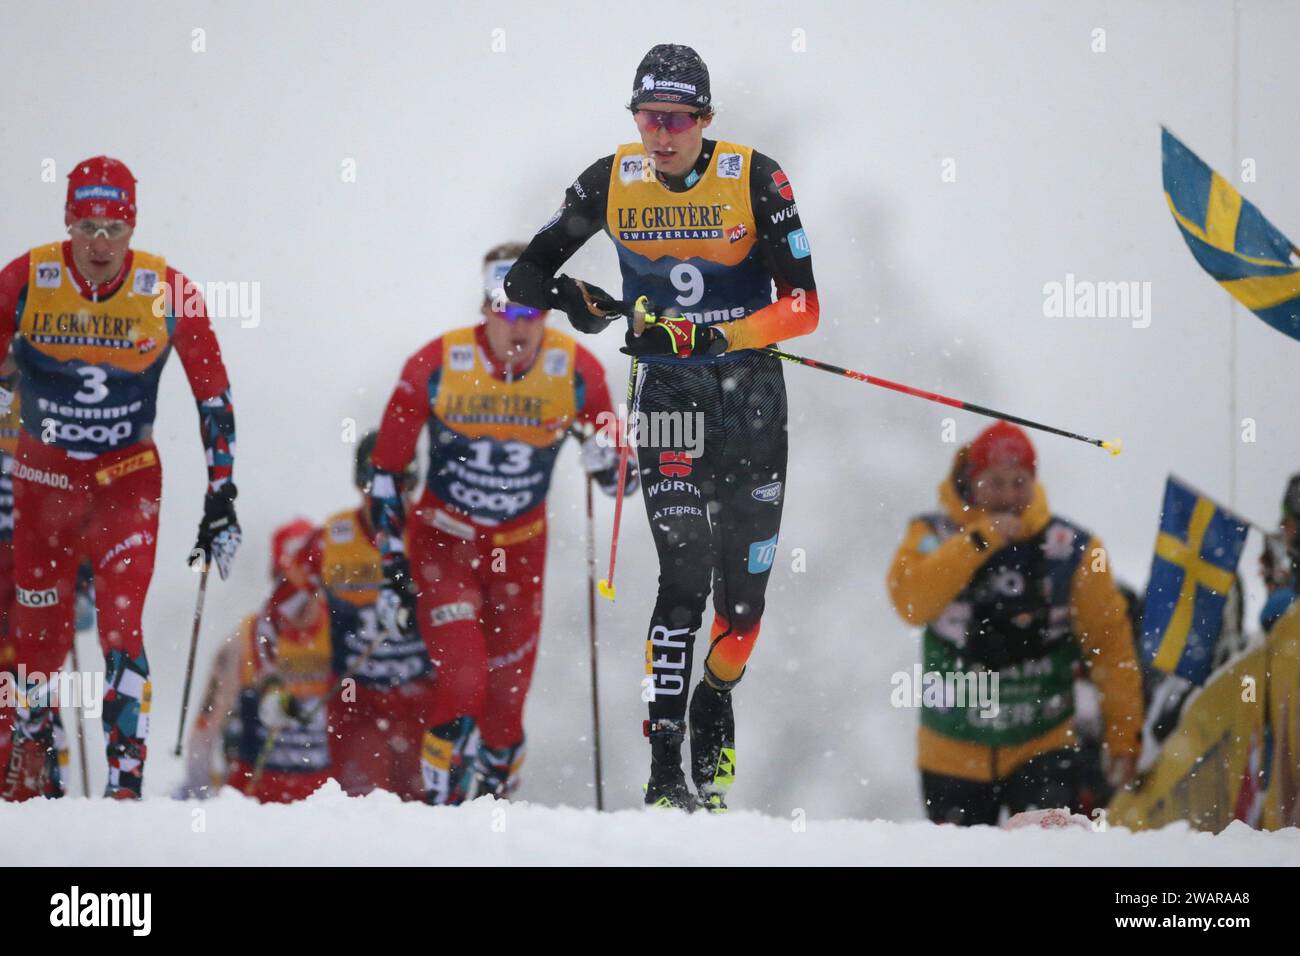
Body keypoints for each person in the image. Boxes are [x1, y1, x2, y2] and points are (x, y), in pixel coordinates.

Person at [503, 43, 819, 811]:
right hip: (669, 397)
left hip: (751, 401)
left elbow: (804, 306)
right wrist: (577, 299)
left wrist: (722, 335)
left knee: (740, 612)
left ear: (704, 120)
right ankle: (664, 765)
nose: (663, 134)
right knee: (681, 576)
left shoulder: (756, 176)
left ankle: (716, 694)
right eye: (650, 117)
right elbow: (522, 276)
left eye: (677, 119)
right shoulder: (612, 179)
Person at [0, 156, 240, 800]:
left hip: (124, 485)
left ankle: (125, 786)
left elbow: (213, 397)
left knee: (120, 630)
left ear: (132, 229)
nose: (99, 244)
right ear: (67, 223)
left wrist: (222, 494)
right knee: (37, 645)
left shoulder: (170, 290)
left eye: (114, 228)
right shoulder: (26, 279)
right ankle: (32, 777)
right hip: (38, 484)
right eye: (87, 226)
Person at [370, 243, 631, 805]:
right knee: (464, 683)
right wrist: (392, 564)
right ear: (483, 311)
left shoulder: (577, 371)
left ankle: (499, 822)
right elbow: (387, 470)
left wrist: (609, 461)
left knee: (505, 713)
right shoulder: (436, 365)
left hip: (520, 554)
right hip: (445, 546)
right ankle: (440, 818)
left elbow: (623, 479)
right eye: (506, 310)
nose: (519, 327)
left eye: (532, 312)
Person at [887, 422, 1143, 825]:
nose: (1008, 496)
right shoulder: (931, 534)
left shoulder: (1074, 548)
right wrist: (979, 541)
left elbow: (1110, 645)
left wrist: (1124, 736)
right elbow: (911, 602)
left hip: (1043, 745)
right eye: (995, 482)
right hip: (951, 750)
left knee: (1042, 857)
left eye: (1019, 482)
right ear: (972, 483)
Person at [271, 432, 433, 800]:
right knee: (364, 806)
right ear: (359, 483)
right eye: (374, 485)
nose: (387, 498)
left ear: (414, 484)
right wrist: (276, 681)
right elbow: (280, 611)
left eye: (402, 485)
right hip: (358, 700)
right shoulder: (332, 538)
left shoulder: (430, 533)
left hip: (422, 698)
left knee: (429, 811)